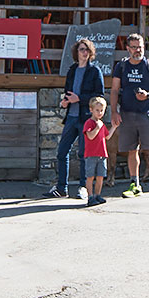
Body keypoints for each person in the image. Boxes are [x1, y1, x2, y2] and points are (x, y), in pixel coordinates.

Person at [110, 32, 149, 198]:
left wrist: (148, 95)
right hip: (127, 113)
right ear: (127, 49)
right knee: (132, 150)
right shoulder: (121, 66)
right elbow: (115, 90)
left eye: (140, 47)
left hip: (146, 112)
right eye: (134, 47)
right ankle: (135, 185)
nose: (138, 50)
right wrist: (113, 112)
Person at [46, 37, 104, 198]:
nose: (84, 52)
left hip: (86, 117)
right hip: (71, 116)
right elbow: (68, 91)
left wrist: (80, 98)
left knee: (84, 154)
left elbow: (99, 95)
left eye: (87, 49)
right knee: (62, 152)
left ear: (91, 52)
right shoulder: (72, 70)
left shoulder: (94, 71)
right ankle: (61, 188)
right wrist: (65, 102)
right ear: (76, 52)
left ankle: (83, 188)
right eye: (81, 49)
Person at [82, 97, 114, 206]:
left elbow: (107, 136)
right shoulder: (89, 123)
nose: (100, 113)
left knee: (101, 176)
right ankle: (90, 196)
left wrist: (114, 127)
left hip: (102, 154)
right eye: (97, 110)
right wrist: (97, 128)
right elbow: (90, 136)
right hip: (91, 154)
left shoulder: (101, 123)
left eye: (102, 110)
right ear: (91, 110)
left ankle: (97, 195)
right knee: (90, 176)